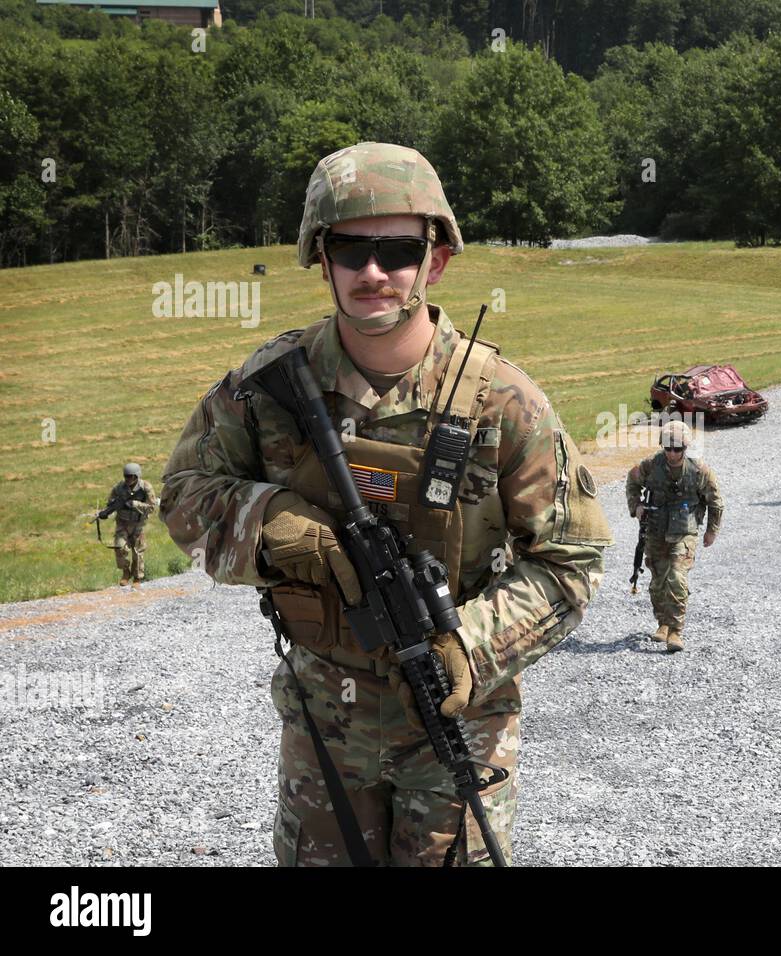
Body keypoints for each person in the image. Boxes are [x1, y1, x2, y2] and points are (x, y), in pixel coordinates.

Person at [160, 142, 611, 866]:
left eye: (398, 249)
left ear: (435, 261)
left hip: (457, 726)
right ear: (321, 256)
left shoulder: (503, 403)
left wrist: (469, 644)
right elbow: (183, 497)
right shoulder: (268, 387)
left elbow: (571, 559)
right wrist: (275, 524)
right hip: (324, 726)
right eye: (350, 248)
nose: (374, 272)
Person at [624, 420, 723, 653]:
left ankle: (676, 630)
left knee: (676, 577)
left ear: (685, 448)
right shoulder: (650, 466)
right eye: (667, 448)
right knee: (658, 581)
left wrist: (711, 530)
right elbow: (632, 482)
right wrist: (636, 506)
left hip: (684, 532)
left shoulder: (699, 471)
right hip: (655, 530)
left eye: (677, 448)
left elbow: (715, 501)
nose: (671, 453)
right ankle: (663, 624)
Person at [98, 462, 158, 587]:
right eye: (126, 476)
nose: (128, 479)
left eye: (131, 476)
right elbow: (111, 503)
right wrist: (105, 513)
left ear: (137, 476)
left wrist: (134, 504)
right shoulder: (119, 487)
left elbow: (151, 507)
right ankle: (126, 572)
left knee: (138, 551)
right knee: (119, 547)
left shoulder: (145, 487)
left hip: (138, 524)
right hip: (122, 522)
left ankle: (137, 578)